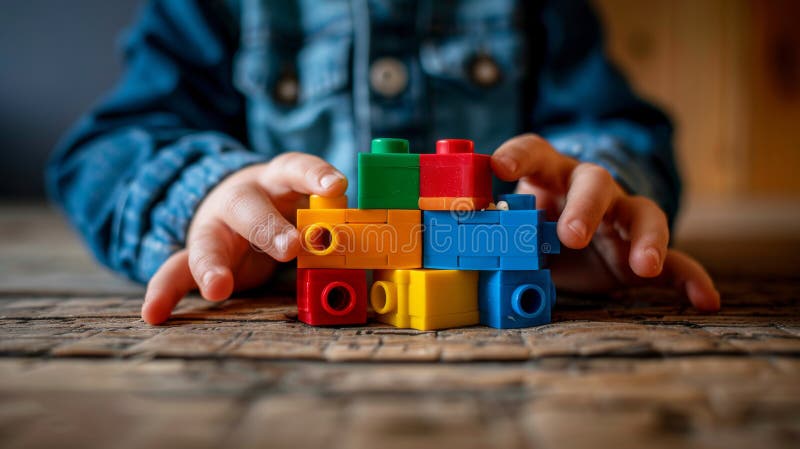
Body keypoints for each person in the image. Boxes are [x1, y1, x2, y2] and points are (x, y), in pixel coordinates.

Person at [47, 0, 720, 325]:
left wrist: (596, 197)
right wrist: (208, 193)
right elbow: (103, 150)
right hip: (286, 279)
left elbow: (620, 125)